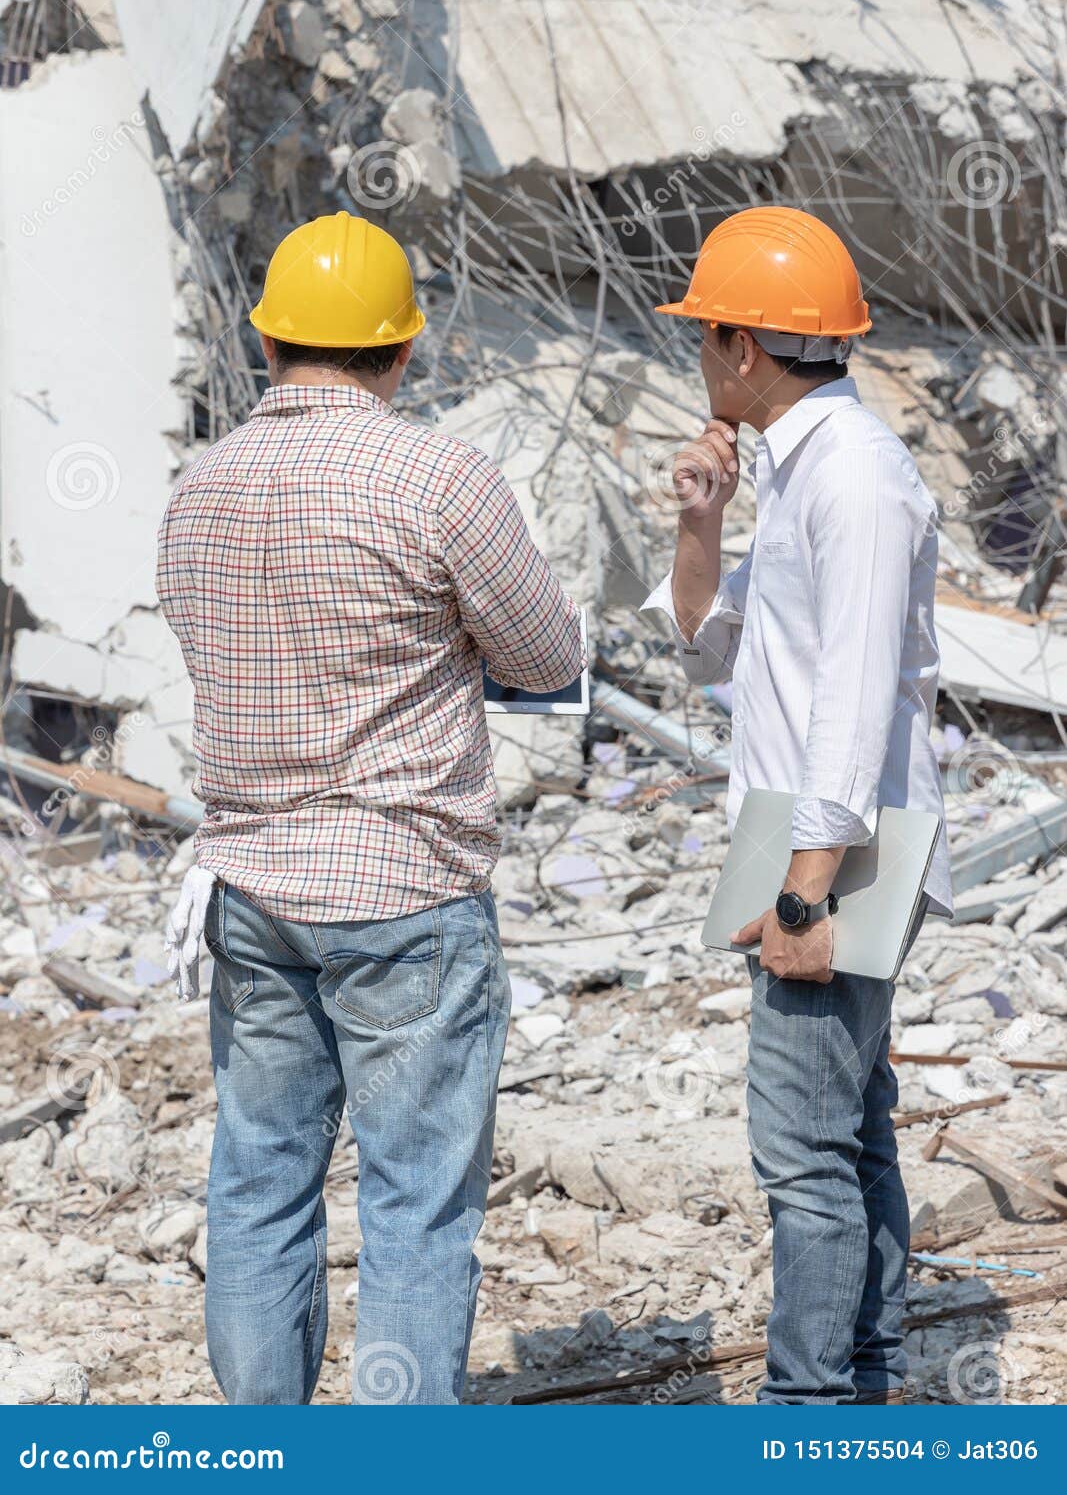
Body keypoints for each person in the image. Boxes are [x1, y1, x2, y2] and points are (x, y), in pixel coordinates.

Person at [157, 212, 583, 1405]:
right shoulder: (437, 475)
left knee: (257, 1181)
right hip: (403, 887)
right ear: (402, 351)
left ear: (270, 344)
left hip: (251, 887)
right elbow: (546, 656)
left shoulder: (198, 487)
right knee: (414, 1200)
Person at [643, 206, 950, 1405]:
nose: (698, 360)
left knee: (803, 1151)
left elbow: (855, 698)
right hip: (810, 833)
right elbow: (707, 650)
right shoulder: (794, 465)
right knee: (850, 1125)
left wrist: (801, 891)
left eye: (703, 338)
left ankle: (808, 1412)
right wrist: (698, 522)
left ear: (742, 347)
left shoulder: (858, 481)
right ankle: (858, 1386)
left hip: (841, 847)